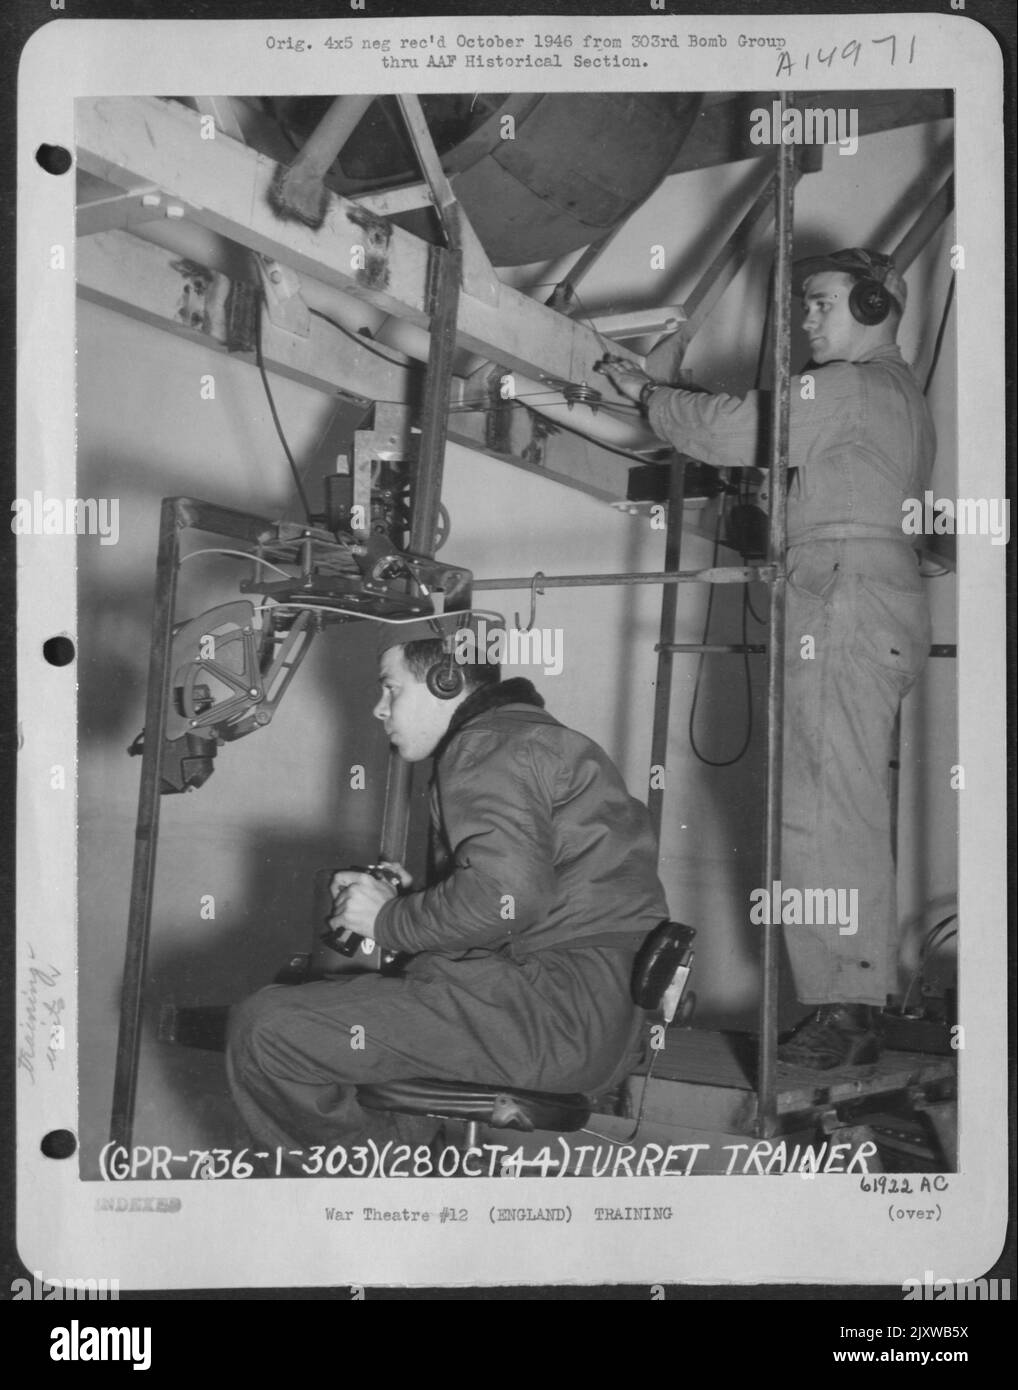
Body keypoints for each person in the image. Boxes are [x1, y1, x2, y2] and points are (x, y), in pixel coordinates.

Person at [599, 248, 934, 1069]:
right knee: (835, 803)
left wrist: (646, 394)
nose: (807, 322)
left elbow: (729, 428)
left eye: (819, 304)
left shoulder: (850, 386)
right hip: (859, 595)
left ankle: (846, 1011)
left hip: (845, 600)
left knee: (822, 812)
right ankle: (847, 1002)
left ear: (873, 302)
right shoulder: (898, 396)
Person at [227, 614, 669, 1158]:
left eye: (391, 689)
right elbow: (531, 898)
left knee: (267, 1031)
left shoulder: (484, 746)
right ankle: (401, 1166)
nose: (379, 709)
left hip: (548, 1019)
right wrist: (414, 901)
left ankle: (369, 1201)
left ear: (445, 682)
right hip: (594, 1020)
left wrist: (387, 920)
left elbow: (506, 899)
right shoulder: (543, 739)